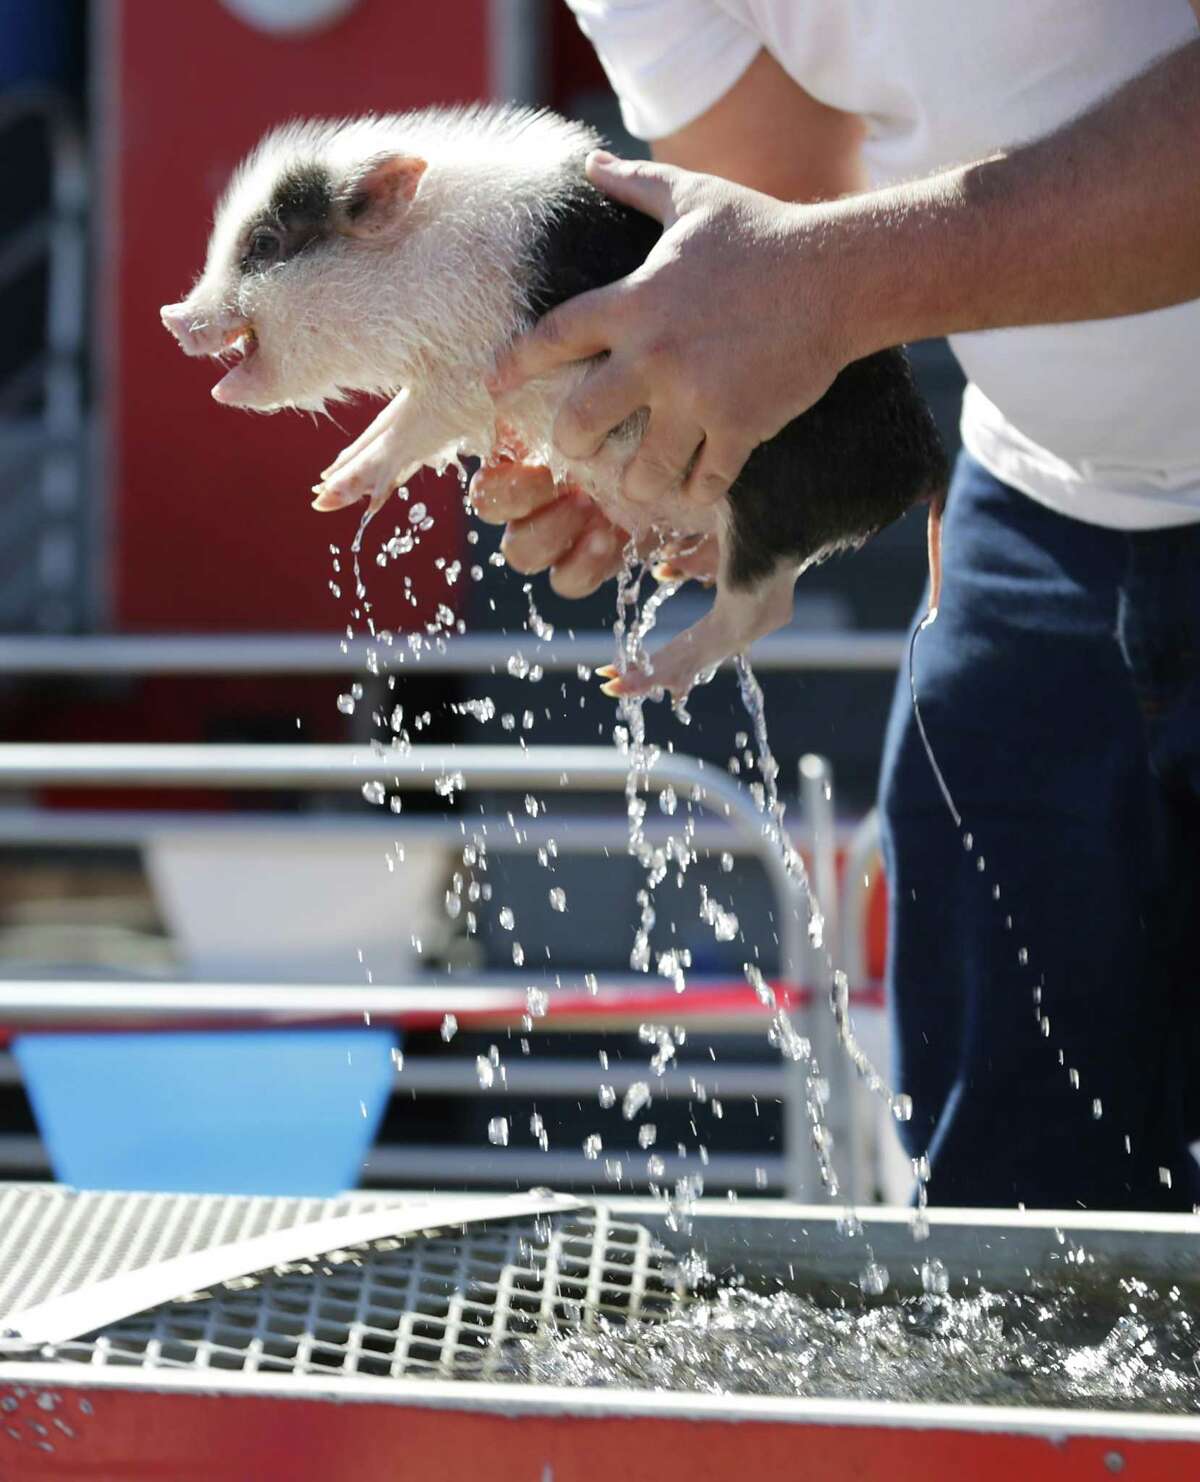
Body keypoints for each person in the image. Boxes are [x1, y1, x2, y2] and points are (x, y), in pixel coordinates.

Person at [471, 3, 1200, 1211]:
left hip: (1041, 512)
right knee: (1009, 1243)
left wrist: (811, 291)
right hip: (1040, 517)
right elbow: (784, 246)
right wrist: (688, 438)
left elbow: (819, 275)